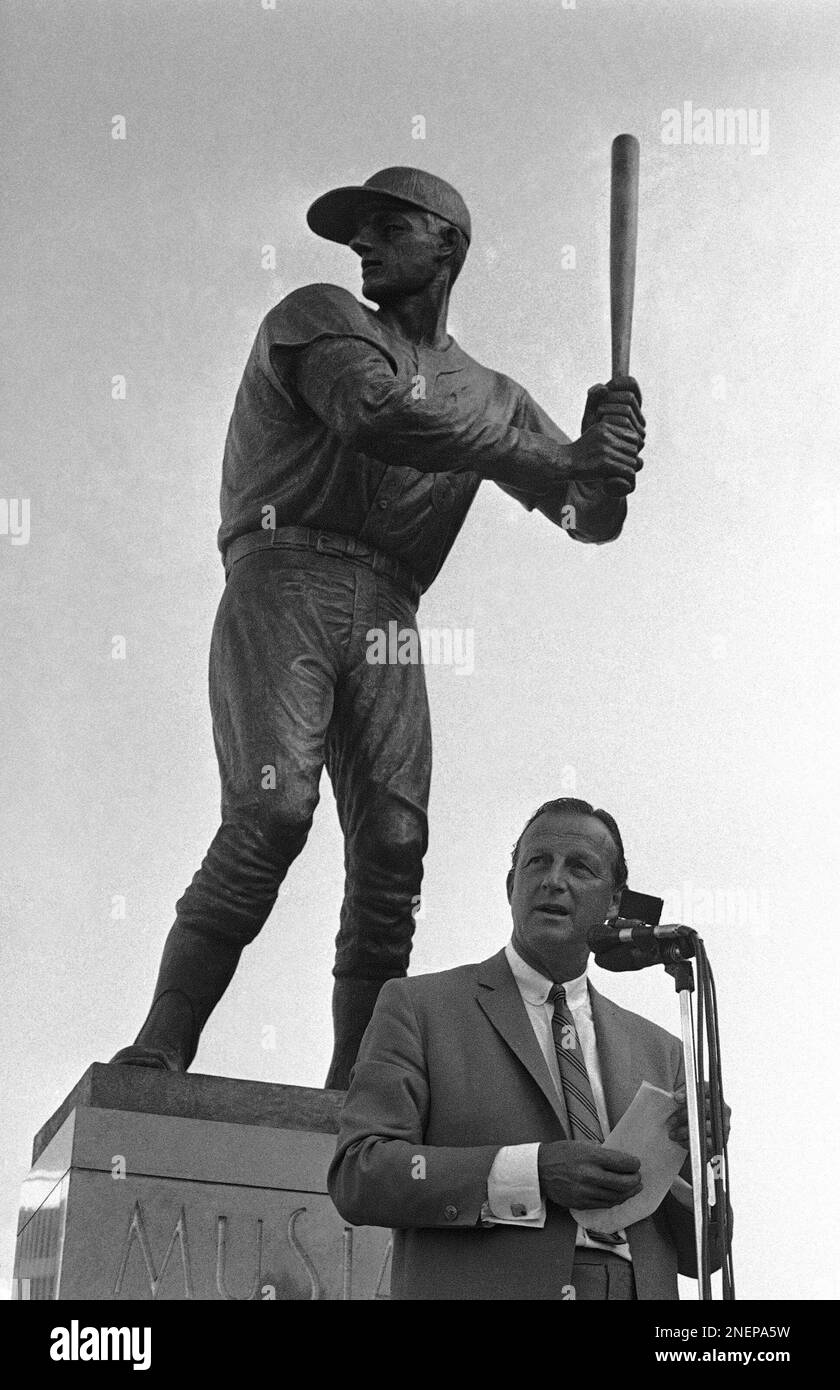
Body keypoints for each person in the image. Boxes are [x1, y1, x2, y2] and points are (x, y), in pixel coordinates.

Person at [110, 168, 645, 1089]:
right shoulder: (316, 315)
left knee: (395, 848)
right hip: (286, 574)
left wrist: (610, 457)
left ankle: (357, 1087)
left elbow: (583, 518)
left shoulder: (494, 395)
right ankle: (163, 1039)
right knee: (272, 813)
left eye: (386, 227)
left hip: (395, 606)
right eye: (359, 230)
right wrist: (560, 456)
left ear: (447, 247)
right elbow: (378, 416)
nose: (362, 244)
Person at [328, 798, 732, 1300]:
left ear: (614, 903)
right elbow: (360, 1175)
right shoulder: (419, 1007)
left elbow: (708, 1254)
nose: (553, 880)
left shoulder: (663, 1050)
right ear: (510, 886)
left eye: (580, 867)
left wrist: (707, 1154)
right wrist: (532, 1172)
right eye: (537, 862)